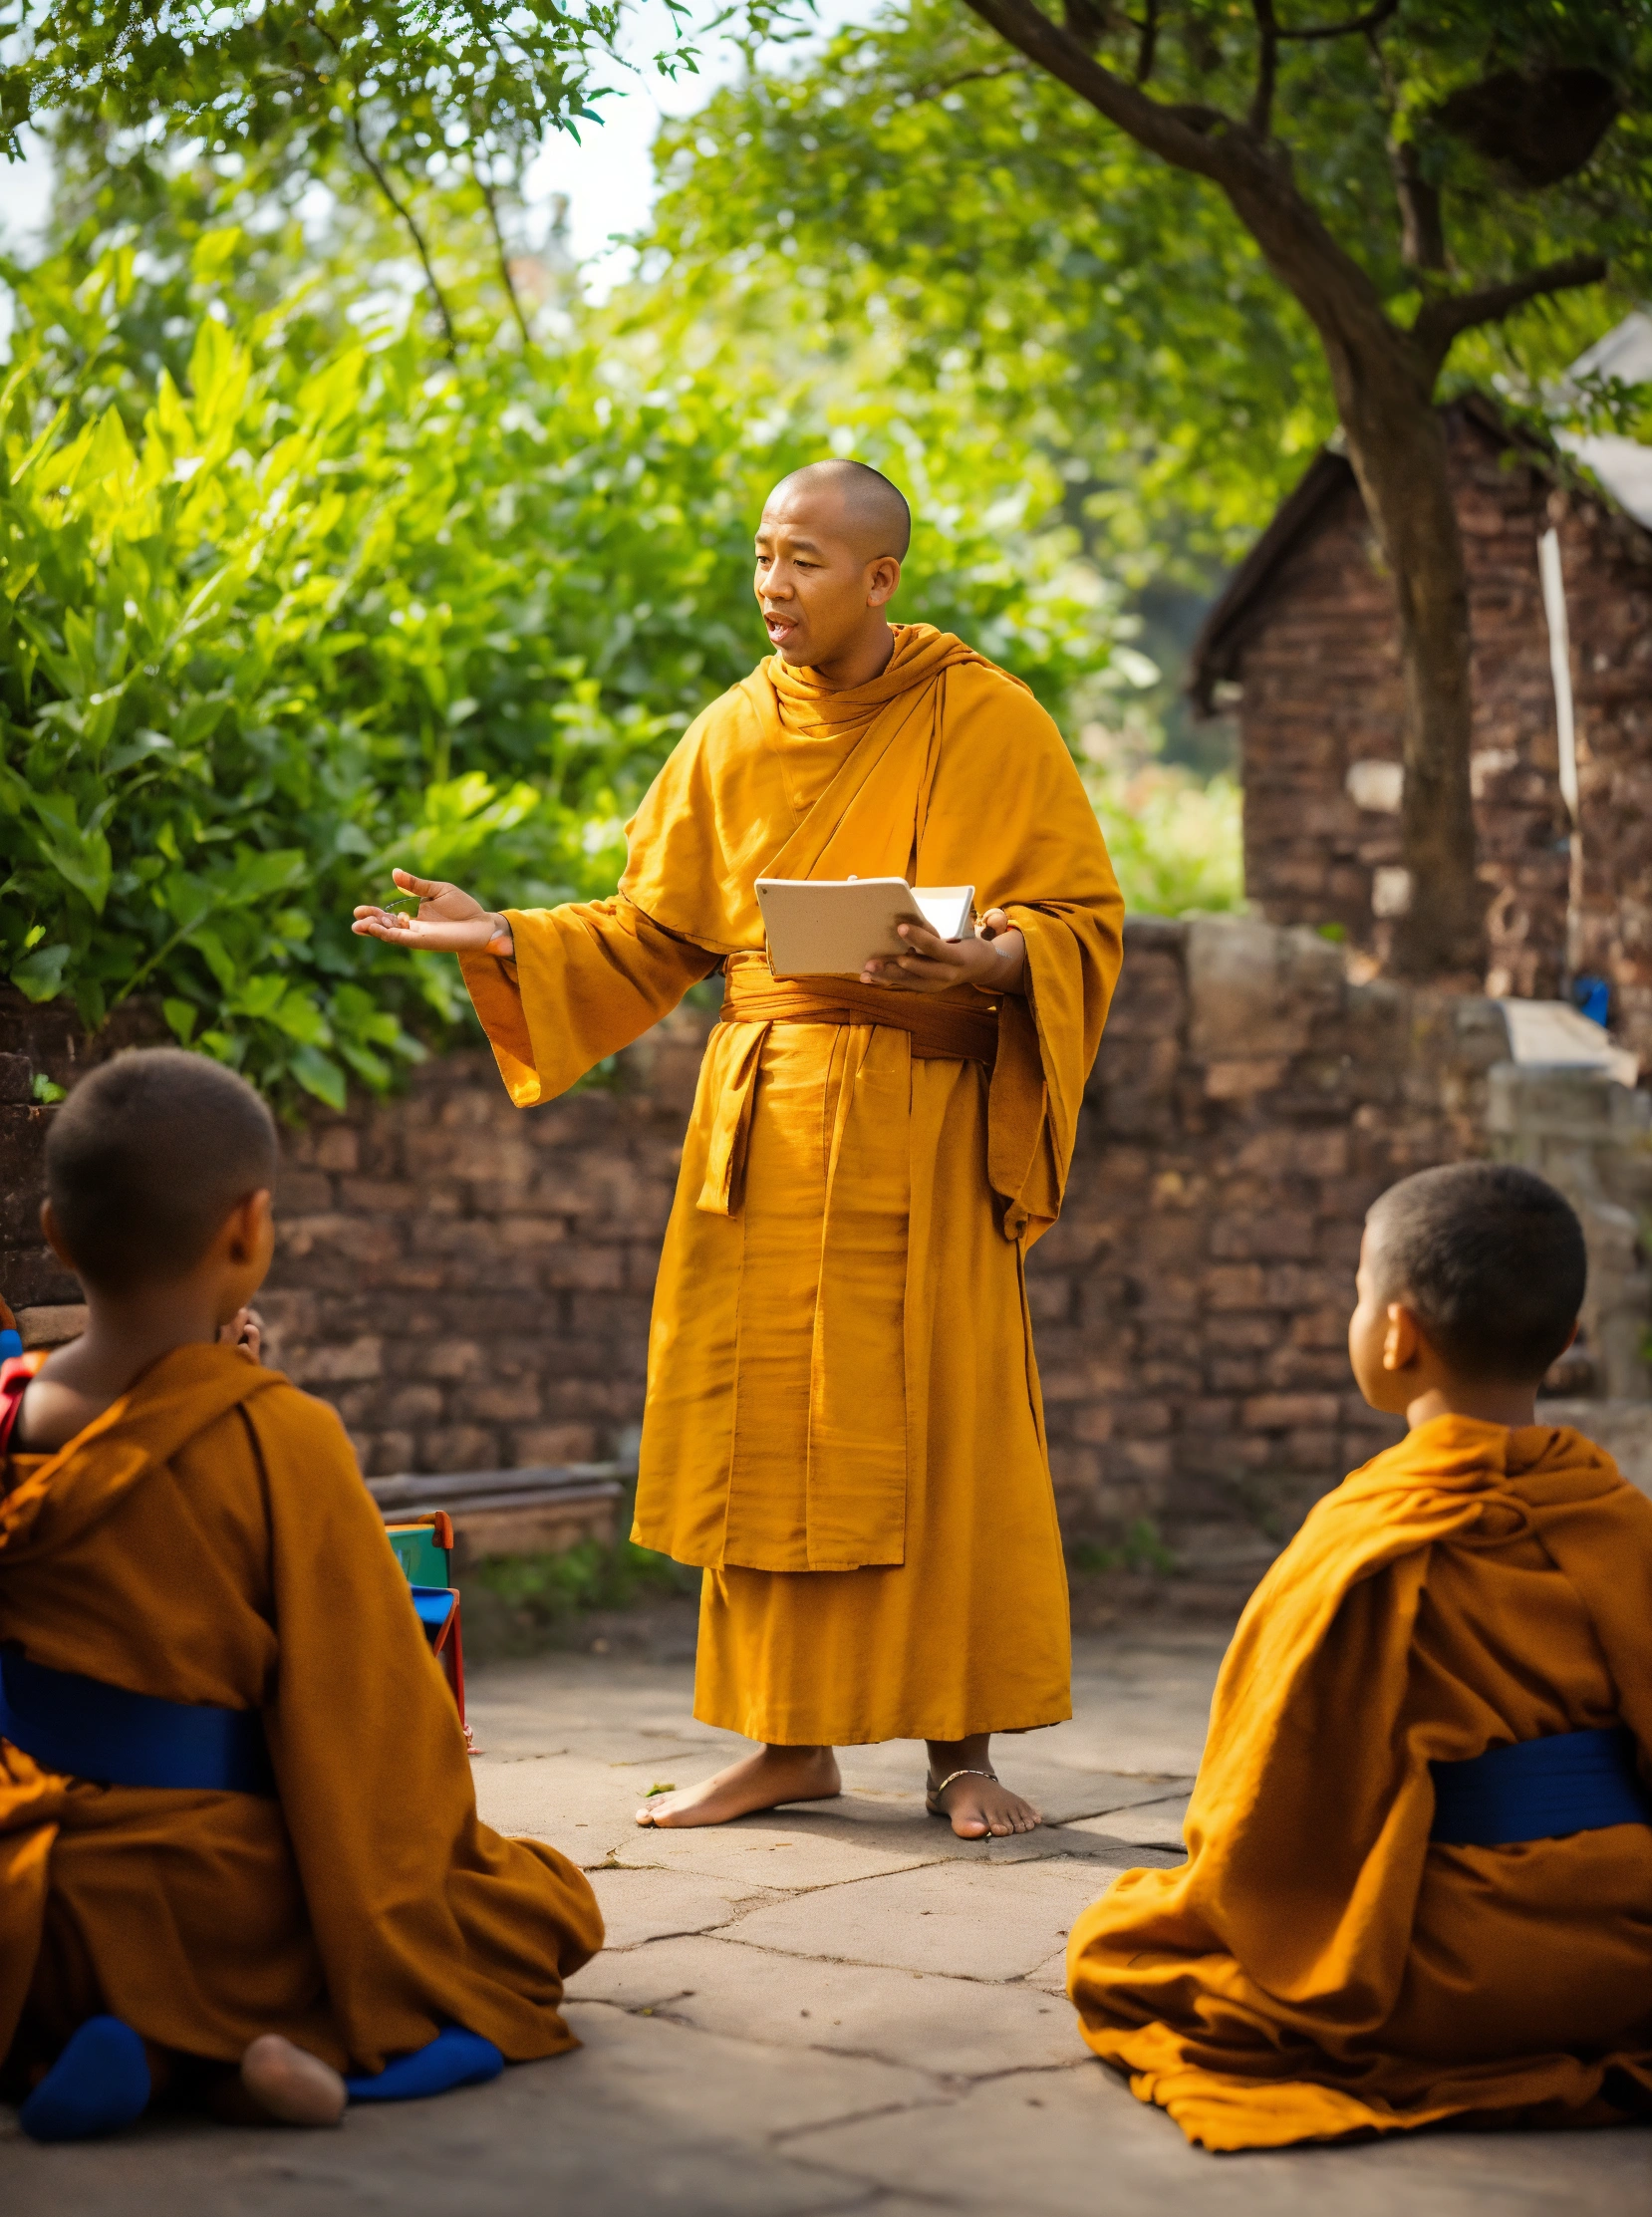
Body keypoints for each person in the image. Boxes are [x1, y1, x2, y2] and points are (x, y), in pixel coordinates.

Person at [353, 459, 1123, 1838]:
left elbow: (1075, 917)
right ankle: (786, 1744)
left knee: (939, 1428)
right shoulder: (731, 731)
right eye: (762, 555)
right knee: (766, 1431)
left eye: (803, 561)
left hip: (927, 1127)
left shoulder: (984, 716)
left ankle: (959, 1753)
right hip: (767, 1125)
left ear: (880, 579)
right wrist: (506, 935)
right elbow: (652, 931)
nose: (772, 585)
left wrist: (986, 962)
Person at [0, 1049, 602, 2142]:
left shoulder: (14, 1422)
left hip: (30, 1892)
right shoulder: (281, 1437)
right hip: (208, 1899)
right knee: (524, 1909)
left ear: (56, 1236)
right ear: (250, 1231)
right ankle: (267, 2061)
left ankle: (107, 2046)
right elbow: (375, 1726)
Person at [1067, 1162, 1652, 2151]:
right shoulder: (1623, 1522)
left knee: (1120, 1951)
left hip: (1441, 1968)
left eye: (1356, 1292)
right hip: (1630, 1955)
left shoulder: (1360, 1536)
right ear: (1564, 1340)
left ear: (1394, 1335)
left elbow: (1256, 1813)